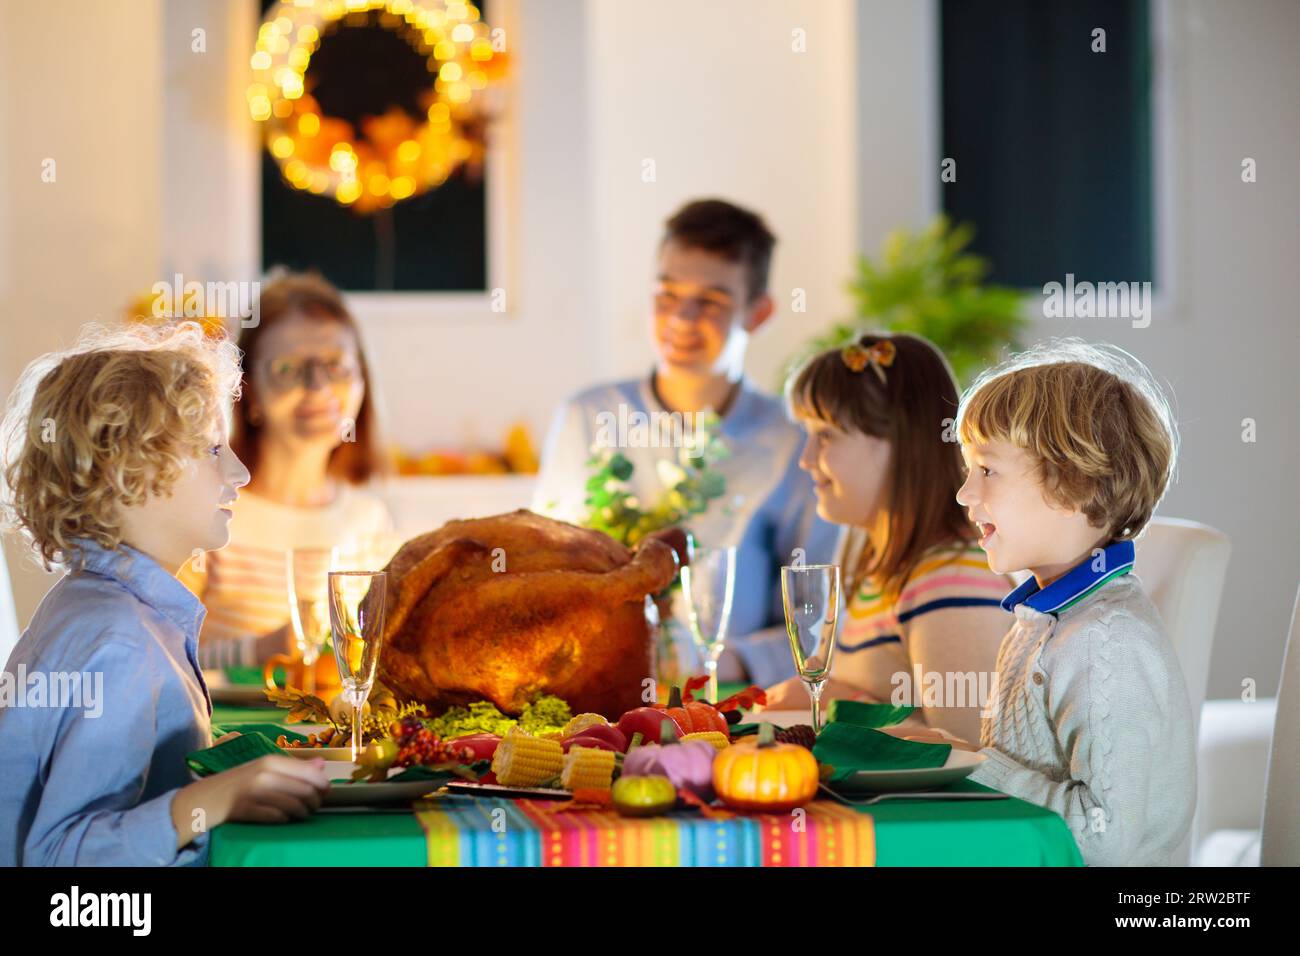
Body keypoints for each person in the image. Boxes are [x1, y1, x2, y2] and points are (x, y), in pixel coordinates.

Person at [0, 322, 330, 866]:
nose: (239, 473)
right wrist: (215, 797)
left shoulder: (103, 609)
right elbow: (62, 860)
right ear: (120, 470)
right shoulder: (121, 643)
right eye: (210, 449)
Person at [532, 198, 837, 686]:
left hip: (731, 698)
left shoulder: (792, 439)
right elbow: (546, 577)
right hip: (594, 687)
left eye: (711, 302)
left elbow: (820, 620)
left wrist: (722, 661)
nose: (681, 319)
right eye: (667, 295)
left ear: (758, 312)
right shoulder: (586, 417)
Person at [940, 339, 1195, 866]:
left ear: (1073, 484)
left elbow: (1102, 840)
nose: (965, 494)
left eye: (986, 470)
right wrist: (951, 754)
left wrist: (971, 764)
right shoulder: (1043, 620)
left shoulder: (1104, 643)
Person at [760, 333, 1012, 742]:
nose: (805, 460)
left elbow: (969, 751)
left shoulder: (946, 580)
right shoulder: (880, 563)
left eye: (825, 435)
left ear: (899, 442)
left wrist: (840, 709)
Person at [181, 270, 393, 670]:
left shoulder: (369, 523)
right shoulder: (208, 515)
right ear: (248, 392)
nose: (317, 388)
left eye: (337, 366)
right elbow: (160, 660)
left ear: (363, 382)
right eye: (286, 369)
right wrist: (259, 652)